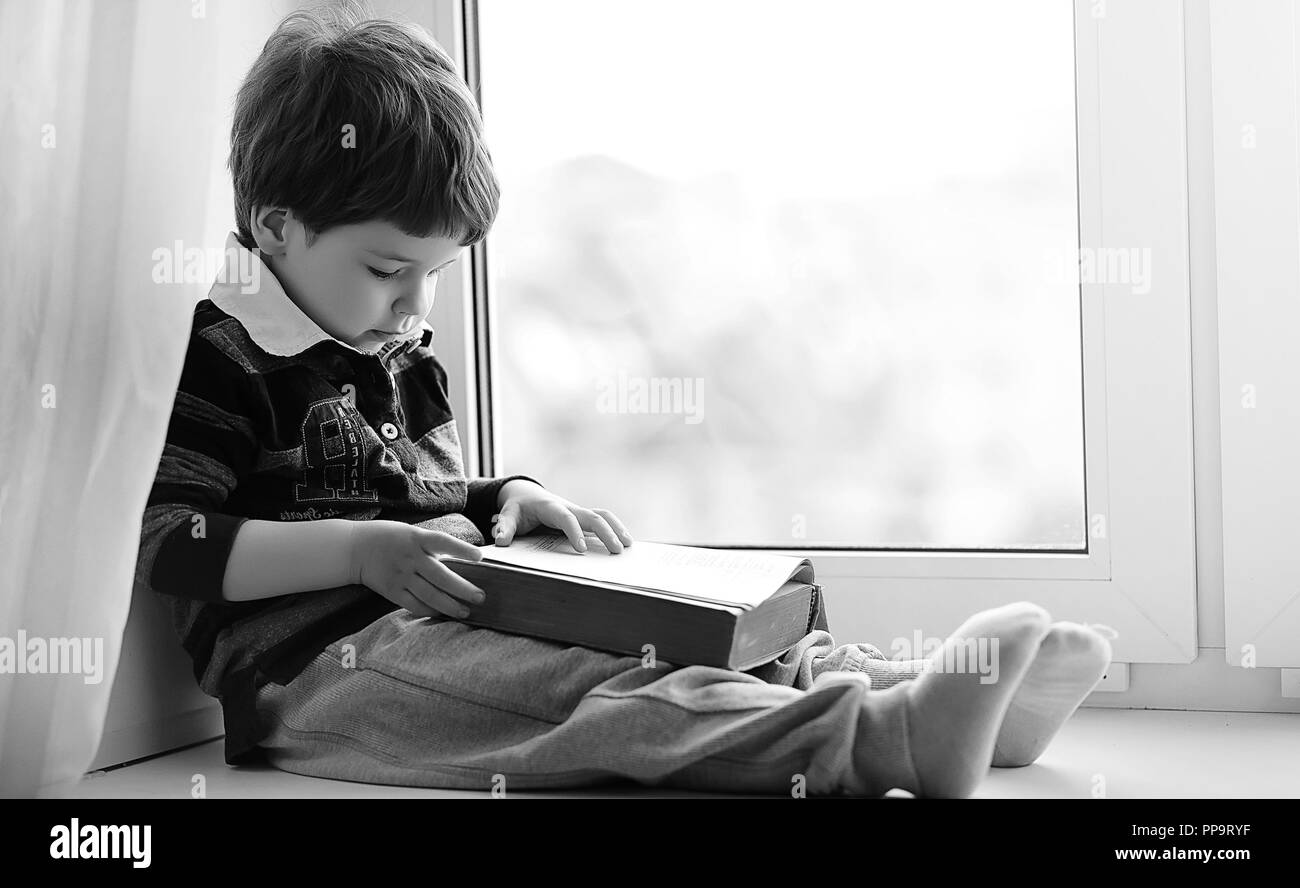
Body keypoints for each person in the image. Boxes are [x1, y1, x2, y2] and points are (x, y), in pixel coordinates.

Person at [135, 4, 1111, 798]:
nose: (412, 303)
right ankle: (878, 740)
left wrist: (504, 497)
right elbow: (171, 541)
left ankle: (931, 697)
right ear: (275, 228)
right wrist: (355, 550)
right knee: (587, 692)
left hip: (445, 615)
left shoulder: (392, 349)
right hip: (318, 672)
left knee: (684, 624)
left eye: (433, 273)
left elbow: (419, 498)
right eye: (389, 268)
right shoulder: (225, 357)